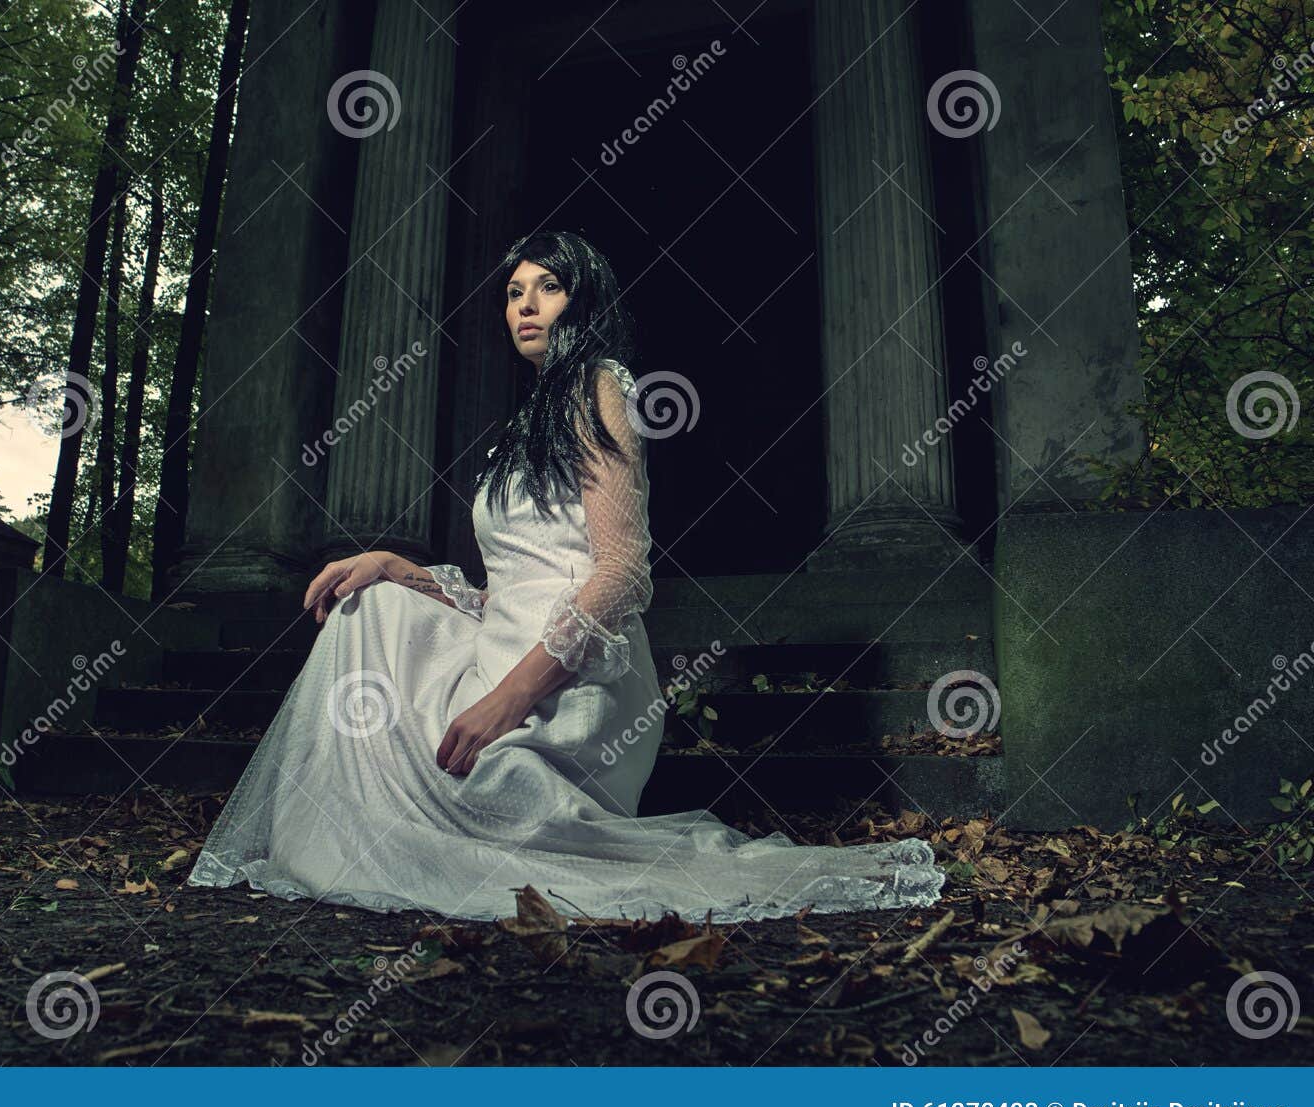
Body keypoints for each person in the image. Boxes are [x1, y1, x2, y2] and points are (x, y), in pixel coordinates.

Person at [186, 230, 944, 922]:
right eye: (514, 292)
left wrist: (506, 700)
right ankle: (343, 833)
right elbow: (503, 592)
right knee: (370, 607)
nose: (525, 305)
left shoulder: (601, 385)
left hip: (575, 683)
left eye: (546, 287)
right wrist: (394, 567)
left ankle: (508, 791)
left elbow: (623, 571)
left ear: (583, 298)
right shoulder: (530, 423)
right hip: (501, 647)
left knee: (475, 786)